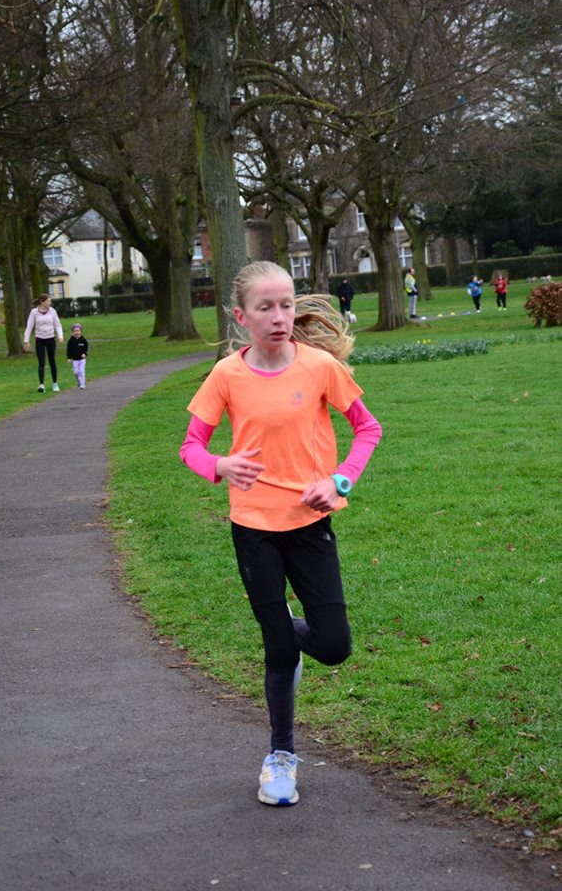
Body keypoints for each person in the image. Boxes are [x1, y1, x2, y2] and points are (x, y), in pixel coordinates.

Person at [179, 261, 382, 807]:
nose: (279, 316)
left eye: (287, 304)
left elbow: (368, 428)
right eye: (265, 307)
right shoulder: (226, 374)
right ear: (241, 316)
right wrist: (219, 466)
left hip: (310, 525)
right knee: (277, 650)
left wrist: (339, 479)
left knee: (334, 646)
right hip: (253, 531)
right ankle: (280, 757)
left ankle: (288, 626)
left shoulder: (318, 367)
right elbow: (191, 447)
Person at [23, 293, 64, 392]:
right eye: (48, 301)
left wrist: (60, 335)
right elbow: (29, 327)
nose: (50, 303)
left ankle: (55, 383)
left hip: (50, 339)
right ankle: (41, 385)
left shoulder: (52, 311)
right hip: (39, 339)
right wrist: (26, 341)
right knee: (41, 362)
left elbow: (57, 324)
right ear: (42, 302)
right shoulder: (34, 312)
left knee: (52, 361)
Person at [67, 323, 89, 389]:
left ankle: (82, 384)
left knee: (81, 371)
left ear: (80, 331)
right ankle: (79, 381)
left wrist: (84, 354)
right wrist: (69, 358)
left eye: (78, 331)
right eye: (75, 331)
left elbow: (86, 348)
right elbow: (69, 350)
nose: (76, 332)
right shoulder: (71, 341)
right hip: (75, 360)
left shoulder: (83, 340)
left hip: (82, 359)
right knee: (76, 372)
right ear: (73, 332)